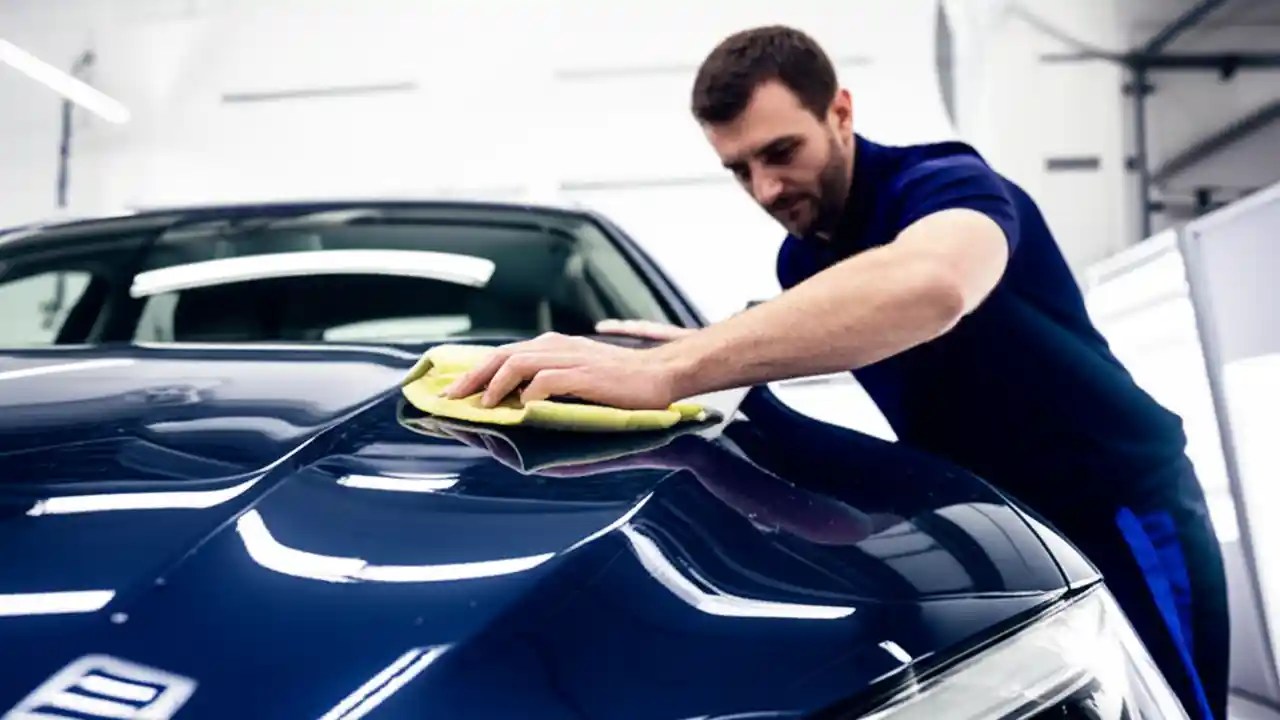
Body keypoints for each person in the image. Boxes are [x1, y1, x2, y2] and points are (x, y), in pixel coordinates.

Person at [442, 24, 1229, 718]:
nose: (767, 188)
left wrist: (677, 368)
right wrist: (716, 378)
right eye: (740, 169)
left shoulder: (944, 183)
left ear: (841, 113)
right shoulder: (801, 258)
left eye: (781, 152)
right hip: (1009, 530)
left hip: (1124, 508)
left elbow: (932, 286)